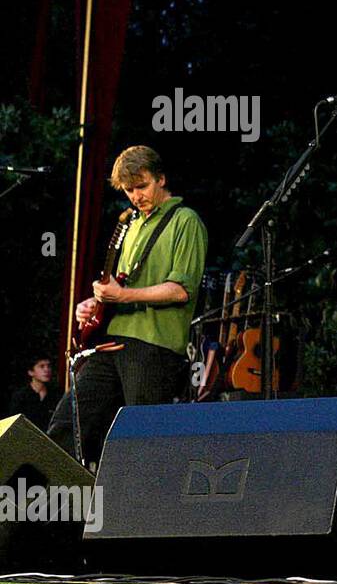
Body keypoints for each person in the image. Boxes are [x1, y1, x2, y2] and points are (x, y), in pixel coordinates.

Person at [48, 146, 208, 466]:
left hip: (154, 345)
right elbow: (126, 283)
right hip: (115, 340)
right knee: (66, 425)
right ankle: (49, 508)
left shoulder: (185, 220)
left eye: (142, 186)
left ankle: (147, 510)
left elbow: (180, 291)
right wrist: (97, 302)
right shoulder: (131, 224)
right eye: (129, 190)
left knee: (142, 441)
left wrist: (120, 296)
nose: (136, 195)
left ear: (161, 179)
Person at [8, 355, 57, 428]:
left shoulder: (55, 394)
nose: (46, 370)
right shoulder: (21, 396)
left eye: (48, 366)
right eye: (42, 366)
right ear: (31, 372)